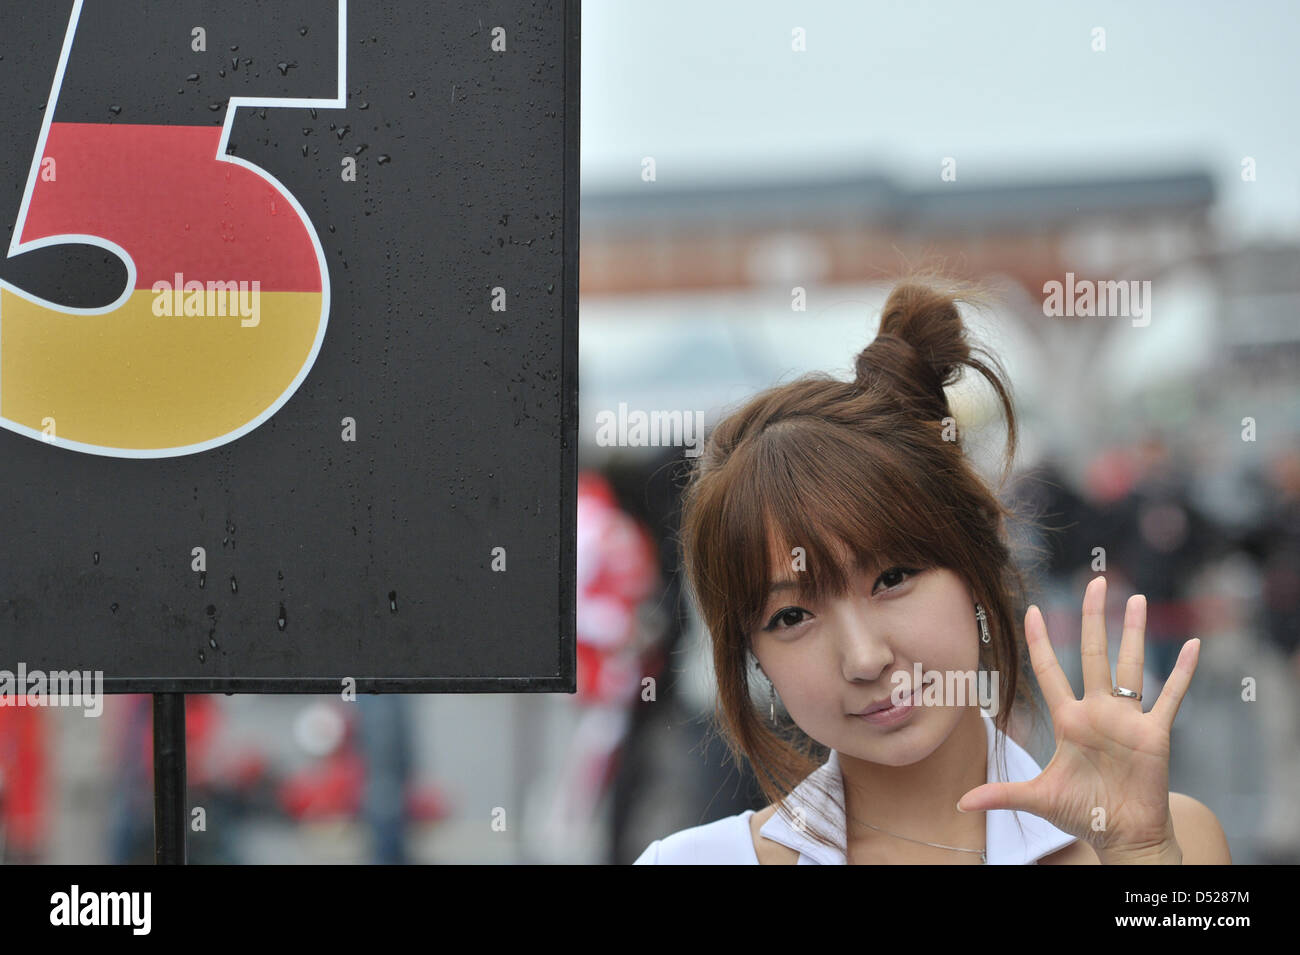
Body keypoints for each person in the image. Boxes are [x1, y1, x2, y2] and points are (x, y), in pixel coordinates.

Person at [634, 276, 1232, 865]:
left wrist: (1137, 857)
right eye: (791, 615)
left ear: (973, 563)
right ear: (751, 652)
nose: (865, 658)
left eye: (892, 579)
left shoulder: (1170, 840)